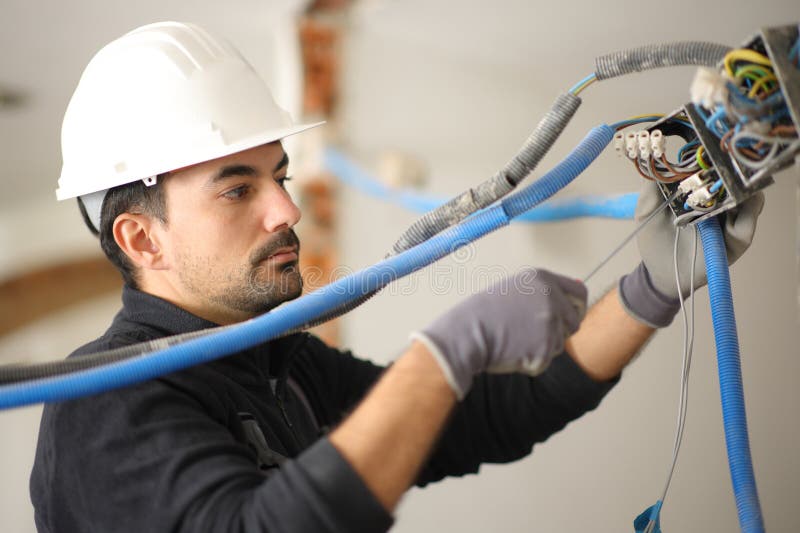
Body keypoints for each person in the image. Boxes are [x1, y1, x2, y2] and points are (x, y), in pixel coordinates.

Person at [29, 22, 763, 532]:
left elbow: (483, 416)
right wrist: (446, 348)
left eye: (279, 177)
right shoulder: (103, 403)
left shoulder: (274, 362)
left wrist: (655, 288)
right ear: (140, 237)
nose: (287, 208)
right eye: (238, 188)